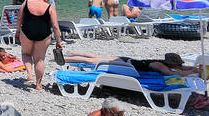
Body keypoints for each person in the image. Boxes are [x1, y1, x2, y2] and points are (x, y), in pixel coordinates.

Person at [17, 0, 63, 91]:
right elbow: (55, 26)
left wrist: (17, 31)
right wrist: (58, 41)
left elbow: (19, 18)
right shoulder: (50, 7)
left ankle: (29, 75)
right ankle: (38, 85)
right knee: (40, 59)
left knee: (26, 54)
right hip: (44, 34)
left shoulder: (26, 2)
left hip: (27, 32)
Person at [62, 52, 197, 76]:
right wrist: (191, 72)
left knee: (97, 57)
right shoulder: (161, 66)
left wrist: (195, 68)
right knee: (93, 61)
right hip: (126, 64)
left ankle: (73, 53)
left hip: (127, 60)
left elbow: (181, 68)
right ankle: (66, 59)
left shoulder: (166, 63)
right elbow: (169, 73)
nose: (180, 66)